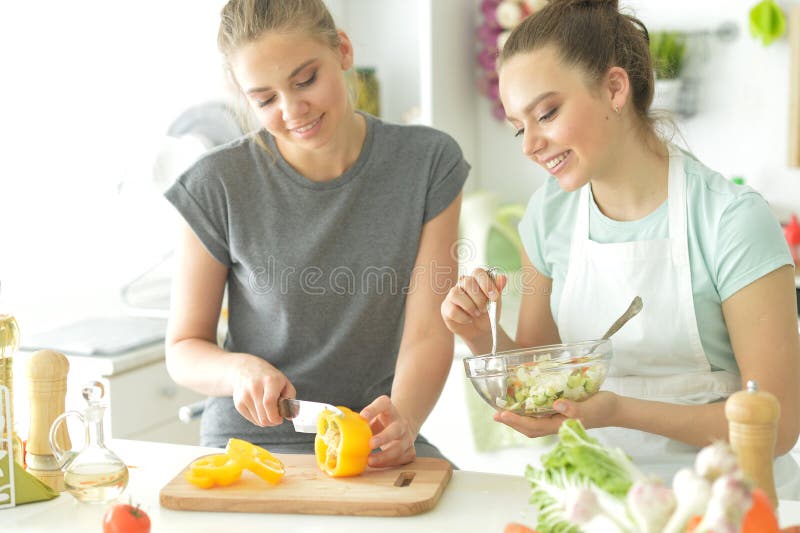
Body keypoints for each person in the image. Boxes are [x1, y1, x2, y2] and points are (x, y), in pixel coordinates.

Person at [442, 0, 800, 496]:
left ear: (614, 88)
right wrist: (483, 337)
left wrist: (621, 411)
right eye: (520, 127)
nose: (529, 146)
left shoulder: (731, 220)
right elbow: (538, 377)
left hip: (728, 499)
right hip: (595, 498)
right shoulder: (549, 216)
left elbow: (778, 428)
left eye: (546, 113)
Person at [164, 0, 468, 468]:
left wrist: (403, 420)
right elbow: (184, 349)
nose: (292, 110)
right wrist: (239, 369)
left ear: (342, 51)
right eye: (265, 99)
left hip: (371, 440)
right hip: (252, 445)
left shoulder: (428, 163)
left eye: (306, 79)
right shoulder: (215, 184)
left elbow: (428, 329)